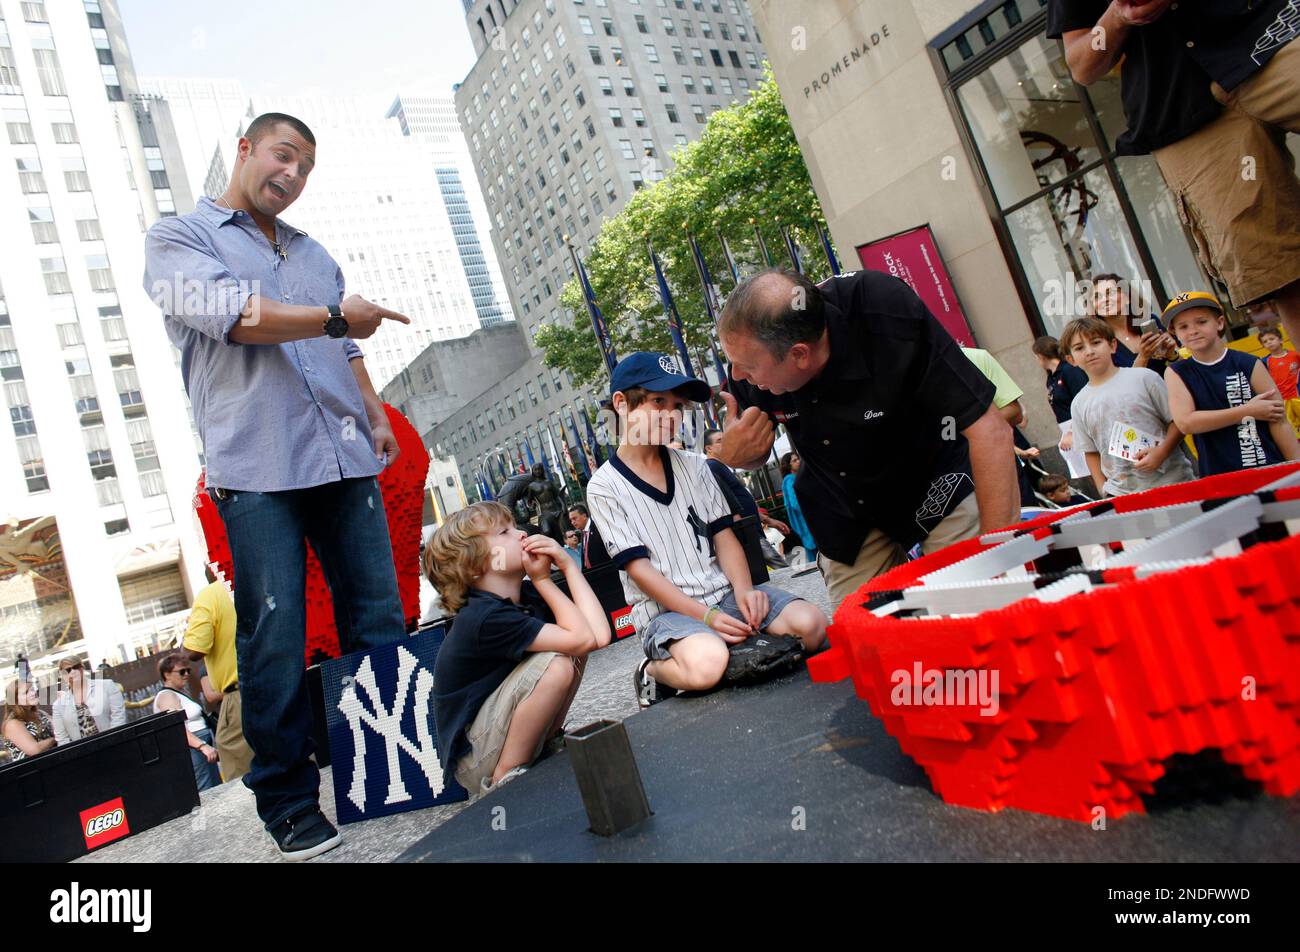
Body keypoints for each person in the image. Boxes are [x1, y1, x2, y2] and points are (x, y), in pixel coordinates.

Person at [143, 112, 411, 860]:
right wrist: (333, 317)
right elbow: (237, 317)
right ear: (245, 151)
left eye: (305, 169)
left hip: (345, 456)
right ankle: (288, 801)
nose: (292, 176)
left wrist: (375, 412)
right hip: (256, 469)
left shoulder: (313, 252)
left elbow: (346, 346)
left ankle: (392, 766)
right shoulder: (177, 239)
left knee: (379, 618)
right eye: (283, 156)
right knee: (273, 639)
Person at [713, 268, 1016, 609]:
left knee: (976, 610)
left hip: (933, 479)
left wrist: (994, 561)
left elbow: (990, 429)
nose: (737, 376)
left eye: (746, 367)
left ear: (799, 354)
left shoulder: (882, 308)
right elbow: (750, 451)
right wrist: (740, 457)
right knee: (865, 636)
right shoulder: (751, 356)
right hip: (840, 503)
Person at [584, 353, 828, 708]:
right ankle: (652, 670)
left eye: (678, 405)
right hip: (665, 614)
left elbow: (723, 535)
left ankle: (727, 642)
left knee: (812, 625)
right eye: (658, 402)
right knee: (706, 666)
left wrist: (745, 591)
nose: (672, 415)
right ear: (621, 403)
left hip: (723, 593)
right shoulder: (603, 486)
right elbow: (639, 571)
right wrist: (706, 617)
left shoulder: (697, 466)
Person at [1050, 2, 1300, 347]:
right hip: (1180, 108)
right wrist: (1119, 17)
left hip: (1272, 39)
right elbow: (1081, 64)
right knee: (1281, 269)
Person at [426, 502, 610, 796]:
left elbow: (597, 637)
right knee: (557, 663)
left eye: (515, 526)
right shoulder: (483, 617)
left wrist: (565, 566)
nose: (521, 533)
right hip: (475, 756)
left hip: (495, 733)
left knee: (570, 653)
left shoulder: (525, 597)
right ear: (474, 565)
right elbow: (583, 637)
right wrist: (542, 578)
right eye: (504, 531)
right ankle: (505, 779)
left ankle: (545, 744)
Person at [1163, 293, 1300, 477]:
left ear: (1219, 323)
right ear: (1175, 333)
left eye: (1201, 322)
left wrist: (1296, 468)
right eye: (1183, 326)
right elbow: (1187, 422)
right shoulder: (1177, 372)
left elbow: (1279, 419)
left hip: (1269, 467)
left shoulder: (1249, 362)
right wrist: (1247, 411)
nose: (1192, 331)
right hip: (1220, 478)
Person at [1061, 316, 1195, 496]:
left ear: (1112, 345)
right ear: (1071, 359)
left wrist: (1162, 452)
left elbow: (1179, 421)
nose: (1089, 351)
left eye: (1096, 342)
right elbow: (1090, 452)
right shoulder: (1078, 403)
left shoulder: (1145, 378)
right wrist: (1103, 489)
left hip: (1174, 482)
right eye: (1079, 348)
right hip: (1122, 494)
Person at [182, 566, 253, 783]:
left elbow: (193, 651)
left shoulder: (211, 594)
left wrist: (189, 633)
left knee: (240, 771)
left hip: (241, 696)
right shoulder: (258, 578)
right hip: (280, 684)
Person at [701, 428, 790, 568]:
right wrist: (742, 526)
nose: (725, 443)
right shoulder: (711, 467)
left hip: (750, 527)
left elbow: (741, 500)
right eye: (719, 441)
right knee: (780, 566)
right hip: (745, 529)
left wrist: (768, 520)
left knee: (770, 569)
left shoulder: (720, 466)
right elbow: (725, 502)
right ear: (709, 448)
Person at [152, 652, 222, 793]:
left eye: (188, 670)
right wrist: (202, 746)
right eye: (181, 671)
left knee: (215, 788)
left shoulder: (177, 693)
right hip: (194, 749)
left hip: (200, 747)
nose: (186, 674)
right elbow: (176, 729)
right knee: (206, 791)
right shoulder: (167, 696)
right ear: (167, 675)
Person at [1085, 274, 1178, 375]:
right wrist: (1143, 357)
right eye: (1097, 297)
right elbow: (1119, 387)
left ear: (1127, 298)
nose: (1104, 300)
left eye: (1110, 293)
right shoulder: (1096, 342)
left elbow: (1182, 367)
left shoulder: (1149, 321)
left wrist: (1172, 355)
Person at [1033, 335, 1091, 479]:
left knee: (1094, 468)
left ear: (1041, 355)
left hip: (1080, 425)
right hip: (1067, 428)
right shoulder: (1051, 378)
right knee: (1085, 472)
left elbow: (1083, 400)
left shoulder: (1069, 370)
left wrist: (1072, 432)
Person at [51, 658, 126, 745]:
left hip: (115, 744)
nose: (73, 671)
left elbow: (119, 716)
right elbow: (62, 738)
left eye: (76, 667)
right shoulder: (58, 705)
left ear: (82, 668)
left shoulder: (107, 685)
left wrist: (113, 740)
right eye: (68, 670)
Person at [1259, 326, 1300, 436]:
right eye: (1265, 342)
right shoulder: (1265, 362)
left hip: (1297, 395)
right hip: (1281, 399)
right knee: (1291, 428)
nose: (1269, 343)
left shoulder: (1295, 355)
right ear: (1263, 346)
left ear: (1281, 340)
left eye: (1272, 339)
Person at [2, 680, 56, 762]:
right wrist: (54, 739)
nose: (32, 693)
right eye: (26, 692)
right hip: (32, 770)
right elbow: (34, 750)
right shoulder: (12, 723)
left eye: (32, 689)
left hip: (53, 760)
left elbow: (59, 728)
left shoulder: (40, 713)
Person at [779, 452, 816, 561]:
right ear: (788, 465)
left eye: (798, 459)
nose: (798, 461)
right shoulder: (790, 479)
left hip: (806, 519)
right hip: (805, 519)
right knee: (814, 548)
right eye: (794, 460)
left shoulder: (795, 477)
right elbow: (795, 502)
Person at [524, 463, 565, 542]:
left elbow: (558, 495)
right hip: (544, 512)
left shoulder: (548, 482)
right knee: (547, 532)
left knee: (563, 531)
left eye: (539, 469)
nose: (538, 471)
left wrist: (563, 506)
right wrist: (531, 505)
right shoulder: (531, 486)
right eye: (535, 469)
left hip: (556, 510)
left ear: (542, 470)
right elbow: (529, 501)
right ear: (532, 471)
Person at [567, 504, 610, 570]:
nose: (572, 522)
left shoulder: (598, 527)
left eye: (574, 518)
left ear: (584, 516)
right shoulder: (583, 533)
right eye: (571, 520)